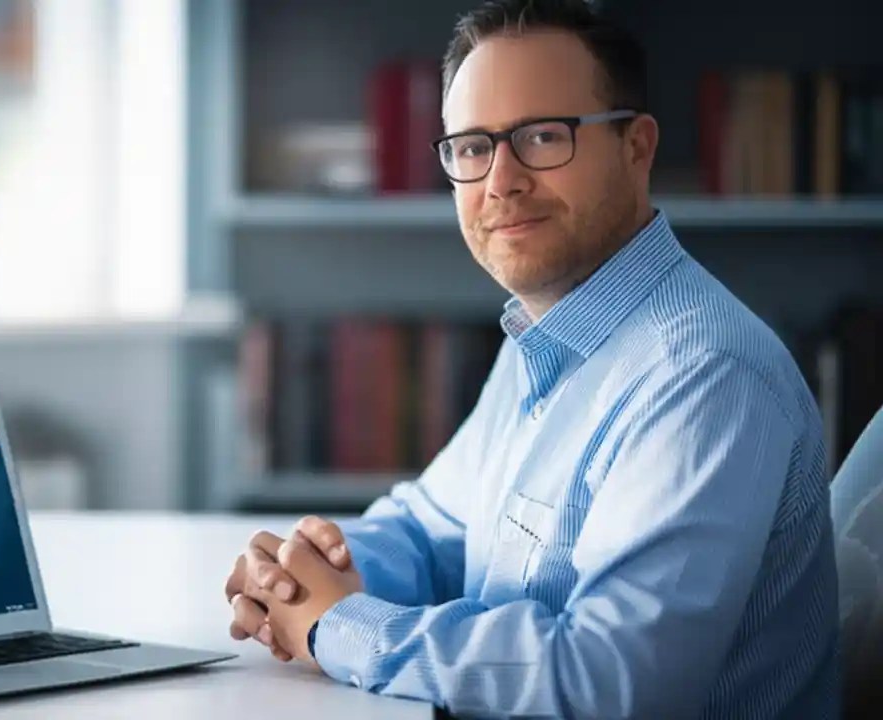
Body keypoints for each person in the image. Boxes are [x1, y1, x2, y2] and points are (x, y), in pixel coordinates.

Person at [222, 1, 840, 717]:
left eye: (544, 137)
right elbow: (430, 532)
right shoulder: (547, 337)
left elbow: (612, 683)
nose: (500, 180)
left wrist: (340, 625)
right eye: (472, 147)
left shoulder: (704, 375)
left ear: (636, 148)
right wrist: (303, 576)